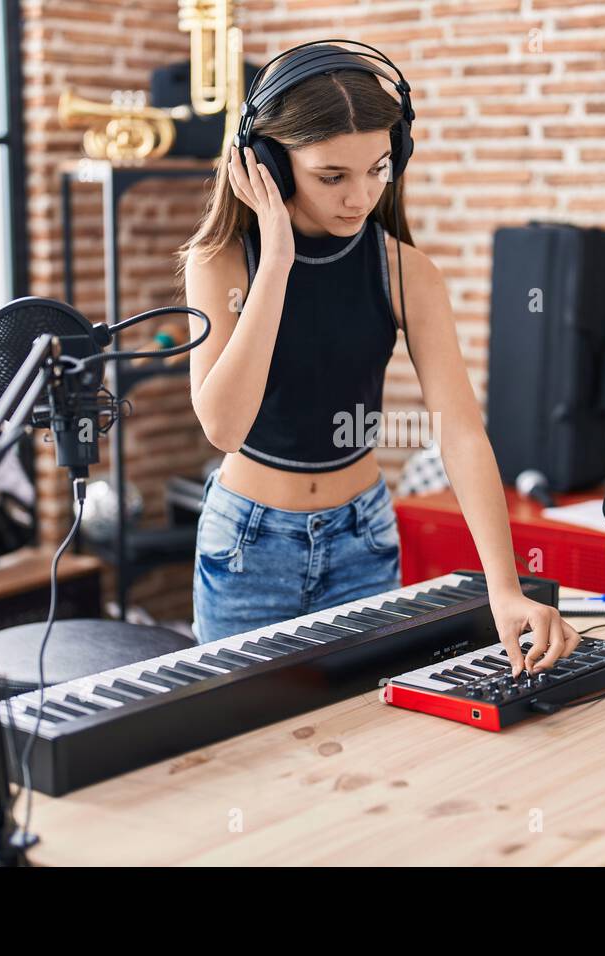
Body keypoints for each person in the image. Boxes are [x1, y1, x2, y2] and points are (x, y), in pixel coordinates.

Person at [175, 46, 580, 676]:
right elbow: (224, 427)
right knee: (248, 765)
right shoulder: (222, 263)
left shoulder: (404, 272)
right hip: (248, 548)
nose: (359, 196)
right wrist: (276, 259)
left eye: (377, 168)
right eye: (331, 176)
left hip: (361, 540)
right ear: (271, 167)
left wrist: (503, 587)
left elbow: (463, 433)